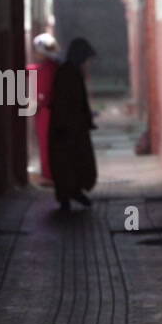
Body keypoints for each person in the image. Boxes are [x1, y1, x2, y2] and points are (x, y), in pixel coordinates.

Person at [49, 38, 98, 212]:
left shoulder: (70, 72)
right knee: (68, 163)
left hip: (71, 127)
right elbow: (65, 102)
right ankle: (68, 196)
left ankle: (72, 193)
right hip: (66, 128)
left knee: (72, 162)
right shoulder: (69, 73)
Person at [27, 33, 60, 186]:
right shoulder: (54, 67)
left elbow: (43, 93)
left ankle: (49, 176)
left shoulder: (45, 70)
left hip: (47, 112)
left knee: (47, 143)